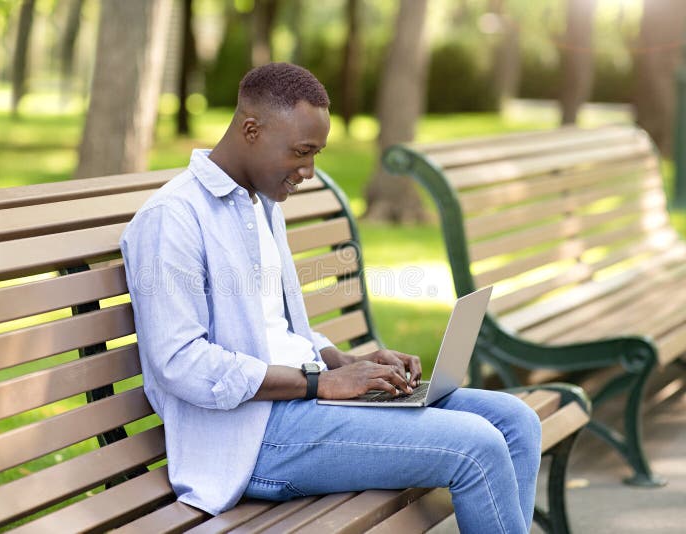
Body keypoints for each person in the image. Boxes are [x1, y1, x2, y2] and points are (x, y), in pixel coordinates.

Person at [119, 62, 542, 533]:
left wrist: (345, 363)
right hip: (251, 439)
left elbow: (276, 330)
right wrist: (320, 384)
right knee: (476, 446)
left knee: (516, 422)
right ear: (251, 129)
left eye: (316, 154)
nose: (309, 171)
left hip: (305, 406)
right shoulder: (172, 219)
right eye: (301, 152)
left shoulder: (261, 202)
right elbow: (179, 362)